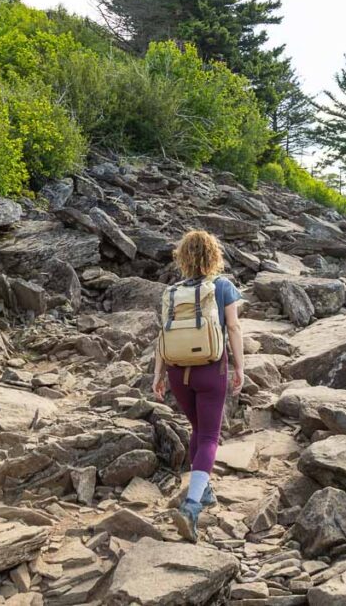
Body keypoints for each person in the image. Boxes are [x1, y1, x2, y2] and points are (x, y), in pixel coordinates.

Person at [153, 230, 245, 542]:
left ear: (183, 257)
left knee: (197, 430)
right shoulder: (222, 286)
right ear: (213, 255)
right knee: (209, 437)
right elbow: (232, 326)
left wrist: (158, 375)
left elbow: (162, 336)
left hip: (179, 372)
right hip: (210, 369)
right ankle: (192, 506)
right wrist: (240, 366)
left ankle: (203, 489)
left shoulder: (173, 291)